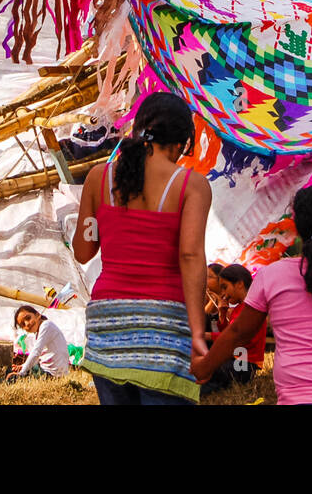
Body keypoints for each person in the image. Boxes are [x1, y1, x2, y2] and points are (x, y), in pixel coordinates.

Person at [73, 91, 212, 405]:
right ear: (183, 142)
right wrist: (197, 331)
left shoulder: (99, 177)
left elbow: (83, 251)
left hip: (107, 325)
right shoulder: (191, 185)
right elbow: (190, 256)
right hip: (163, 327)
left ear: (136, 130)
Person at [194, 183, 312, 405]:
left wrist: (204, 367)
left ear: (297, 226)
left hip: (300, 399)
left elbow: (238, 332)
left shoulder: (272, 275)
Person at [200, 263, 267, 395]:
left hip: (244, 365)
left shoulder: (252, 309)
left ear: (240, 284)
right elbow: (229, 333)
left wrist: (206, 336)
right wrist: (223, 315)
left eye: (225, 287)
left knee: (211, 370)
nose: (223, 293)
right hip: (235, 360)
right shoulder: (238, 309)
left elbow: (235, 339)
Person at [9, 305, 71, 380]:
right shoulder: (39, 332)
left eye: (28, 318)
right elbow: (38, 357)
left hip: (51, 374)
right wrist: (23, 366)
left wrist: (22, 373)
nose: (27, 324)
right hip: (47, 371)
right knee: (10, 371)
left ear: (38, 315)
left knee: (12, 378)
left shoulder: (46, 325)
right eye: (23, 325)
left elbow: (36, 352)